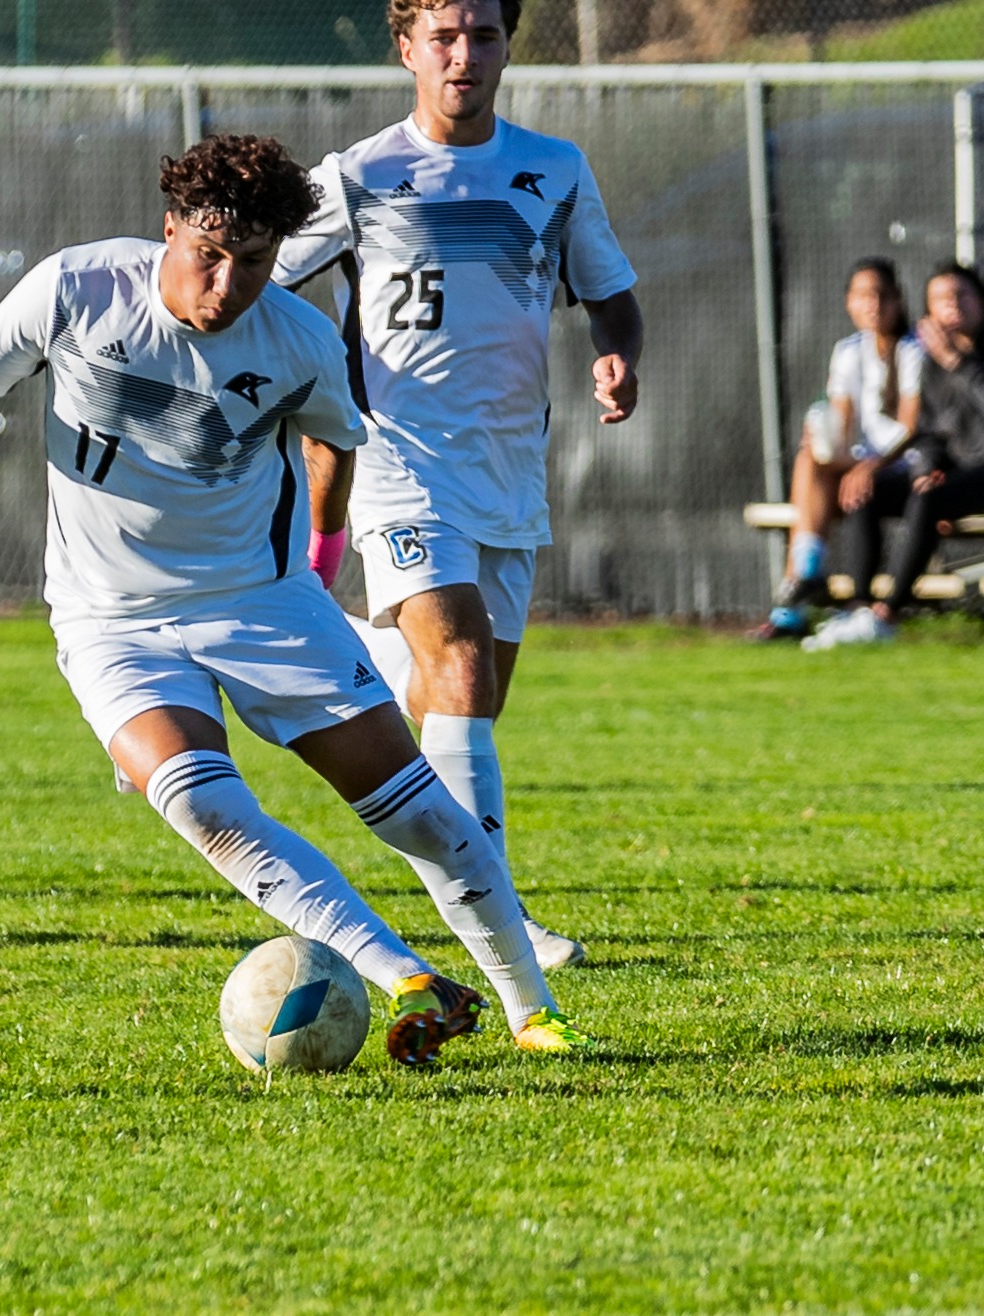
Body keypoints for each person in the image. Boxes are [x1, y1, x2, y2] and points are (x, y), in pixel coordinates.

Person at [0, 133, 594, 1061]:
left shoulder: (302, 341)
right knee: (202, 803)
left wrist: (315, 569)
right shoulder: (76, 289)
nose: (227, 285)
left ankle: (533, 1009)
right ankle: (404, 974)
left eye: (255, 263)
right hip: (110, 618)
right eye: (209, 255)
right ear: (170, 230)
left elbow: (333, 443)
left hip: (263, 605)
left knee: (419, 814)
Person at [273, 0, 644, 972]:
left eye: (482, 34)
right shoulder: (357, 177)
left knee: (461, 706)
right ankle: (505, 930)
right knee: (465, 665)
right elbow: (259, 285)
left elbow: (612, 296)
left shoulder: (554, 170)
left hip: (510, 475)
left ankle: (348, 646)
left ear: (509, 45)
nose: (463, 55)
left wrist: (615, 356)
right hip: (398, 463)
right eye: (443, 36)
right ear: (406, 48)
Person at [809, 262, 984, 648]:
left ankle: (886, 614)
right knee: (865, 489)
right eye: (941, 299)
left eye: (962, 296)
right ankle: (858, 609)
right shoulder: (931, 363)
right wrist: (928, 464)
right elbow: (929, 433)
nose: (952, 306)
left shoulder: (961, 360)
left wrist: (960, 363)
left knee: (928, 498)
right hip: (953, 475)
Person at [756, 258, 923, 640]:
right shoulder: (848, 351)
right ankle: (806, 576)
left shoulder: (914, 350)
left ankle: (795, 596)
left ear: (898, 299)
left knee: (817, 475)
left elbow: (911, 430)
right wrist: (824, 437)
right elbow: (842, 426)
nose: (873, 304)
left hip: (902, 466)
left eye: (881, 295)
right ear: (849, 302)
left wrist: (867, 467)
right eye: (864, 295)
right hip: (863, 465)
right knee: (811, 458)